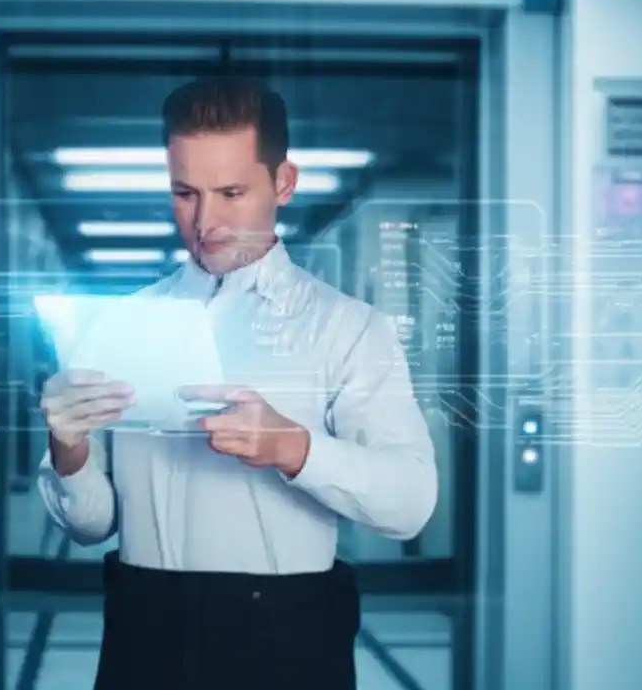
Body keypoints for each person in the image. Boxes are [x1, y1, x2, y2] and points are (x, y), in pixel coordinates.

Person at [36, 76, 438, 690]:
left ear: (283, 183)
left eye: (230, 192)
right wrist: (69, 449)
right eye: (184, 193)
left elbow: (410, 504)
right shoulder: (123, 325)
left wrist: (293, 449)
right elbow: (93, 524)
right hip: (144, 638)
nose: (207, 220)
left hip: (289, 643)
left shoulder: (349, 329)